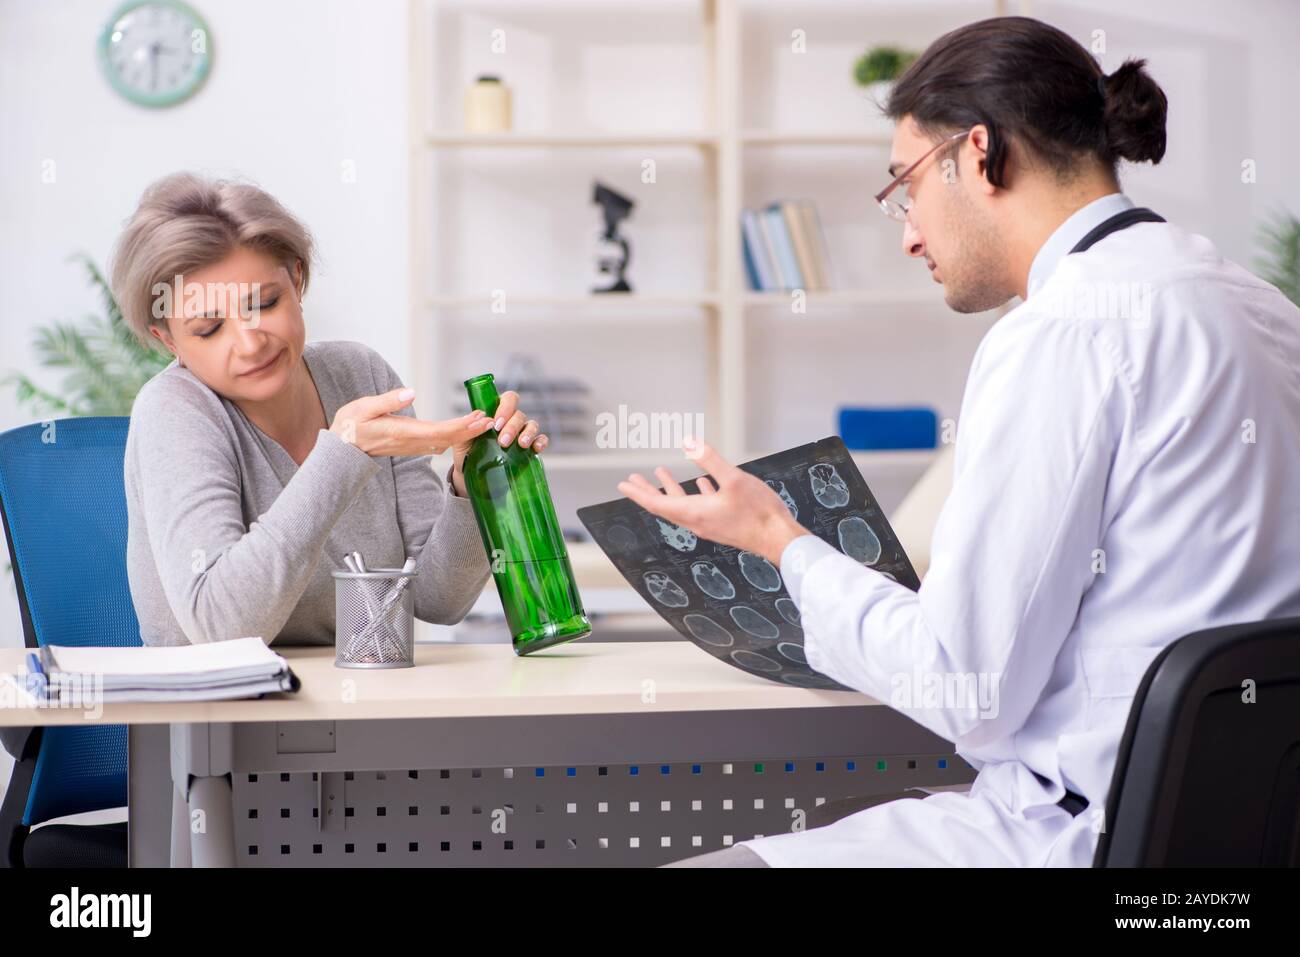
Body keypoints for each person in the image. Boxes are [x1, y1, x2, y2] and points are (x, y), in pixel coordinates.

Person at [641, 16, 1300, 866]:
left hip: (1078, 836)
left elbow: (965, 687)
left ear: (980, 153)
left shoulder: (1062, 330)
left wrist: (782, 541)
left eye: (905, 186)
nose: (910, 231)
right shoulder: (1262, 307)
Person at [114, 172, 549, 646]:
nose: (249, 341)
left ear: (296, 279)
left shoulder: (360, 374)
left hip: (359, 701)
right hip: (221, 715)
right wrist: (343, 453)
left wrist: (471, 485)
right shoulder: (174, 410)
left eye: (263, 303)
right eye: (209, 328)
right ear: (167, 339)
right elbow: (223, 626)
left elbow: (437, 601)